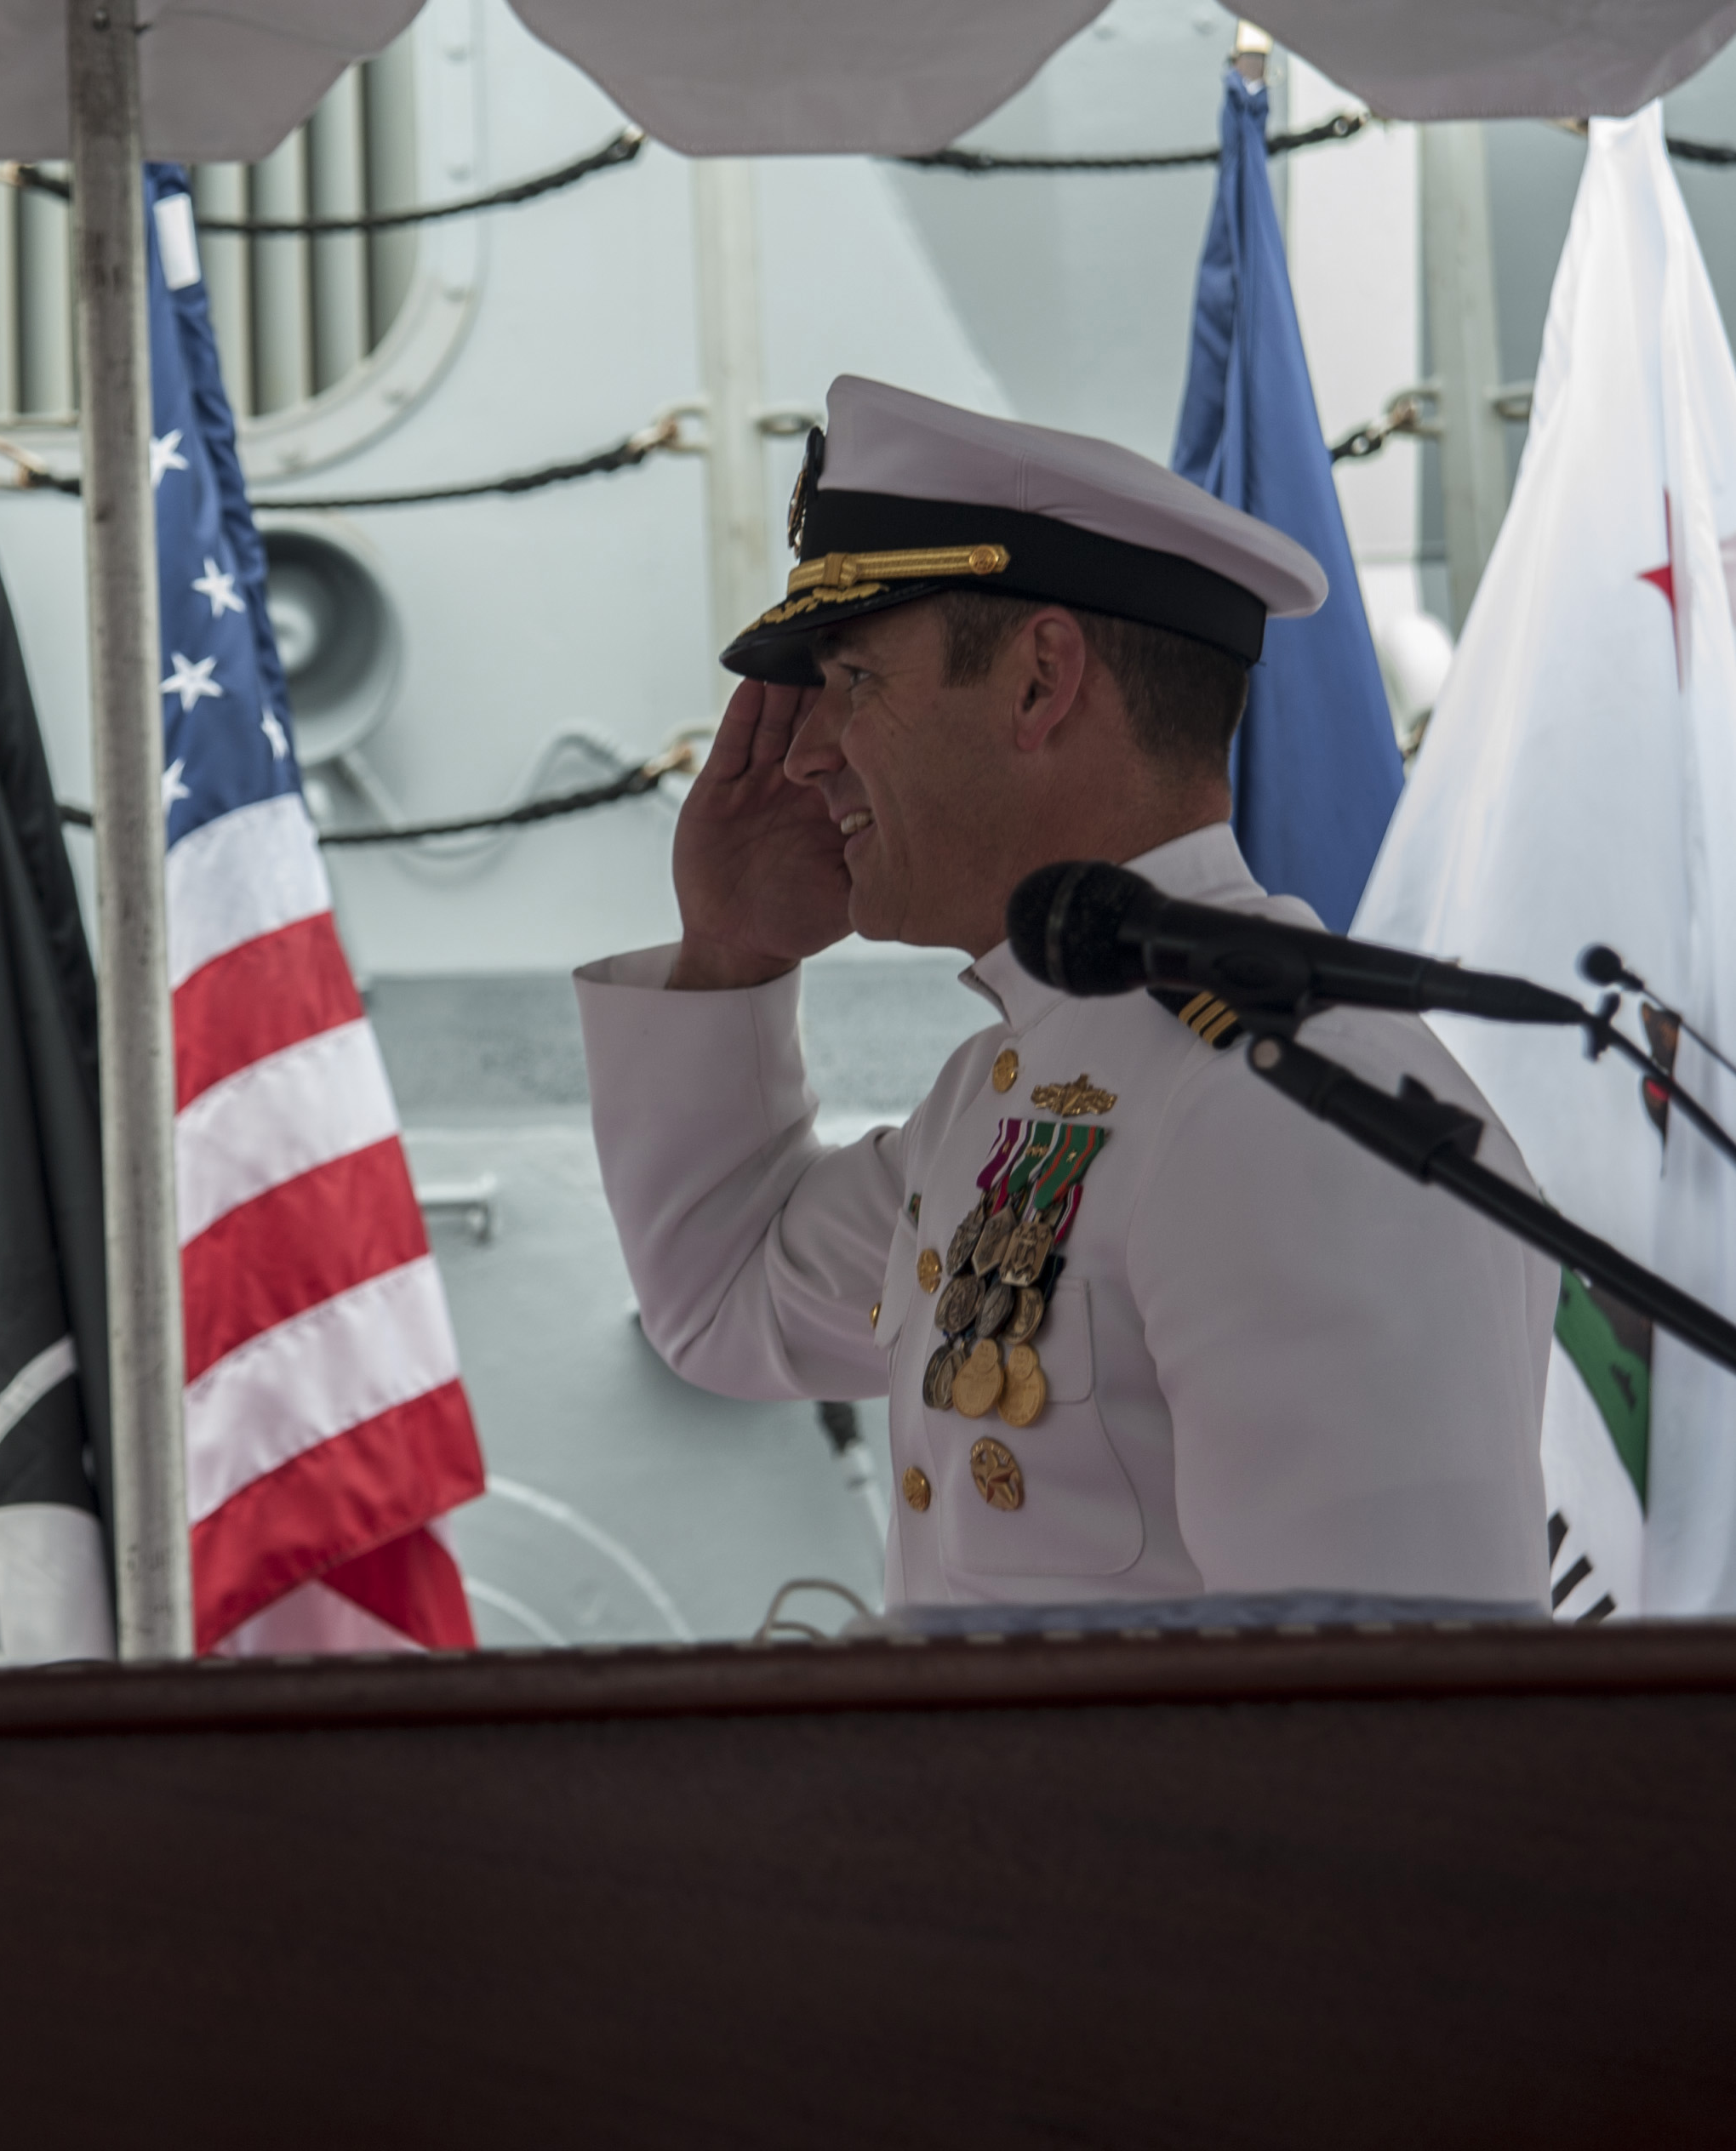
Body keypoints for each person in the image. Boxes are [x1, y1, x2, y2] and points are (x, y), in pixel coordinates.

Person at [578, 376, 1549, 1614]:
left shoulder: (1291, 1104)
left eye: (856, 682)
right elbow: (724, 1300)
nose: (810, 752)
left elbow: (1374, 1726)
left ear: (1041, 681)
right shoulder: (1019, 1092)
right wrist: (731, 951)